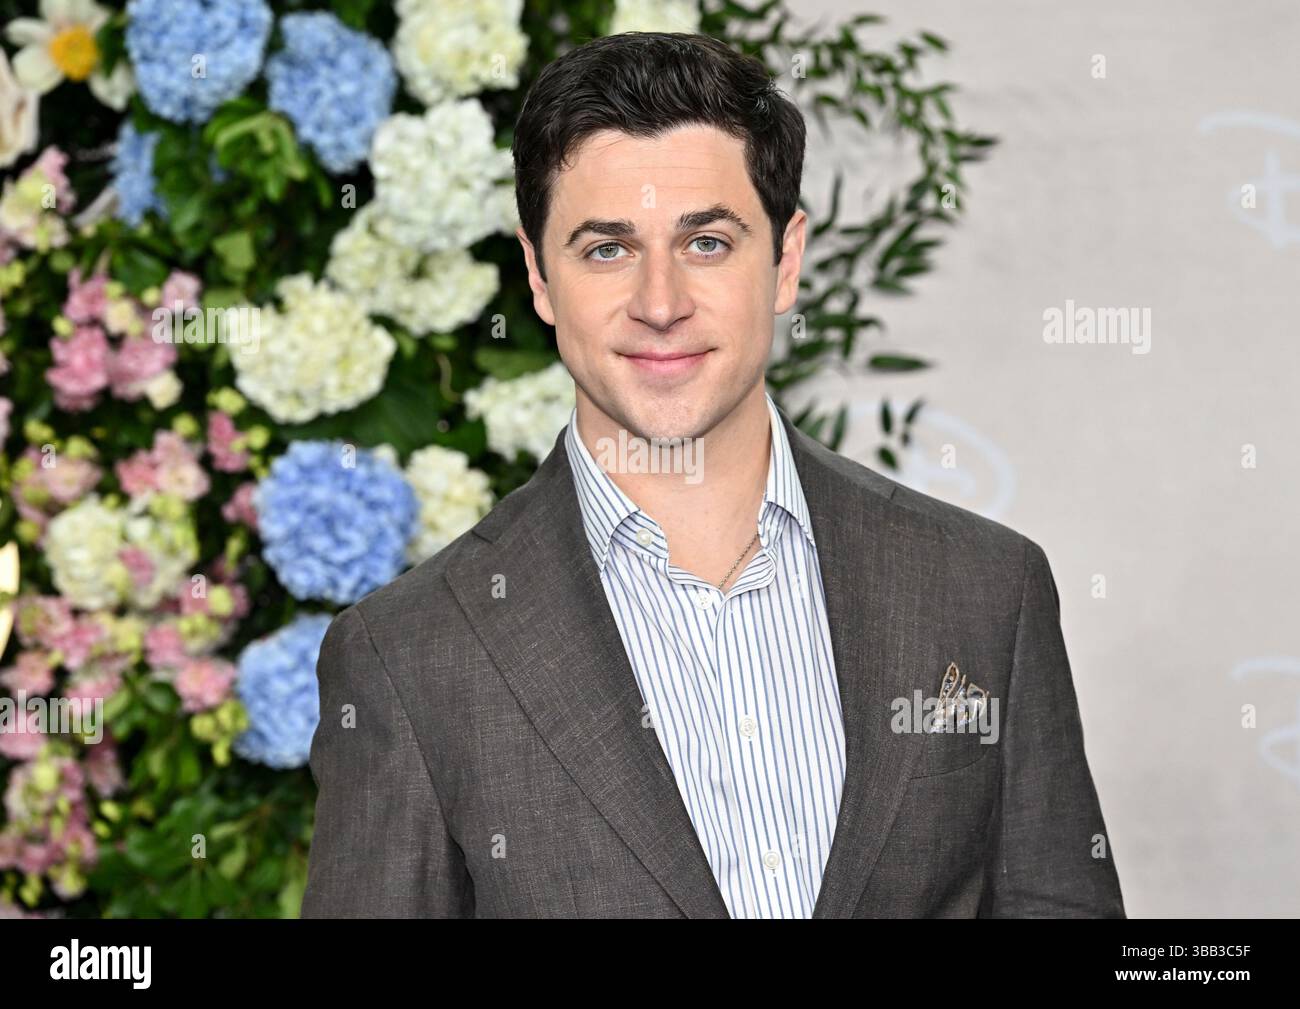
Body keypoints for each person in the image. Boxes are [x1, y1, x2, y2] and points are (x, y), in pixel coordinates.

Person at [300, 31, 1124, 919]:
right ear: (538, 275)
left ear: (786, 258)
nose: (661, 303)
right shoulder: (409, 656)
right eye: (607, 249)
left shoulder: (984, 590)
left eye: (706, 242)